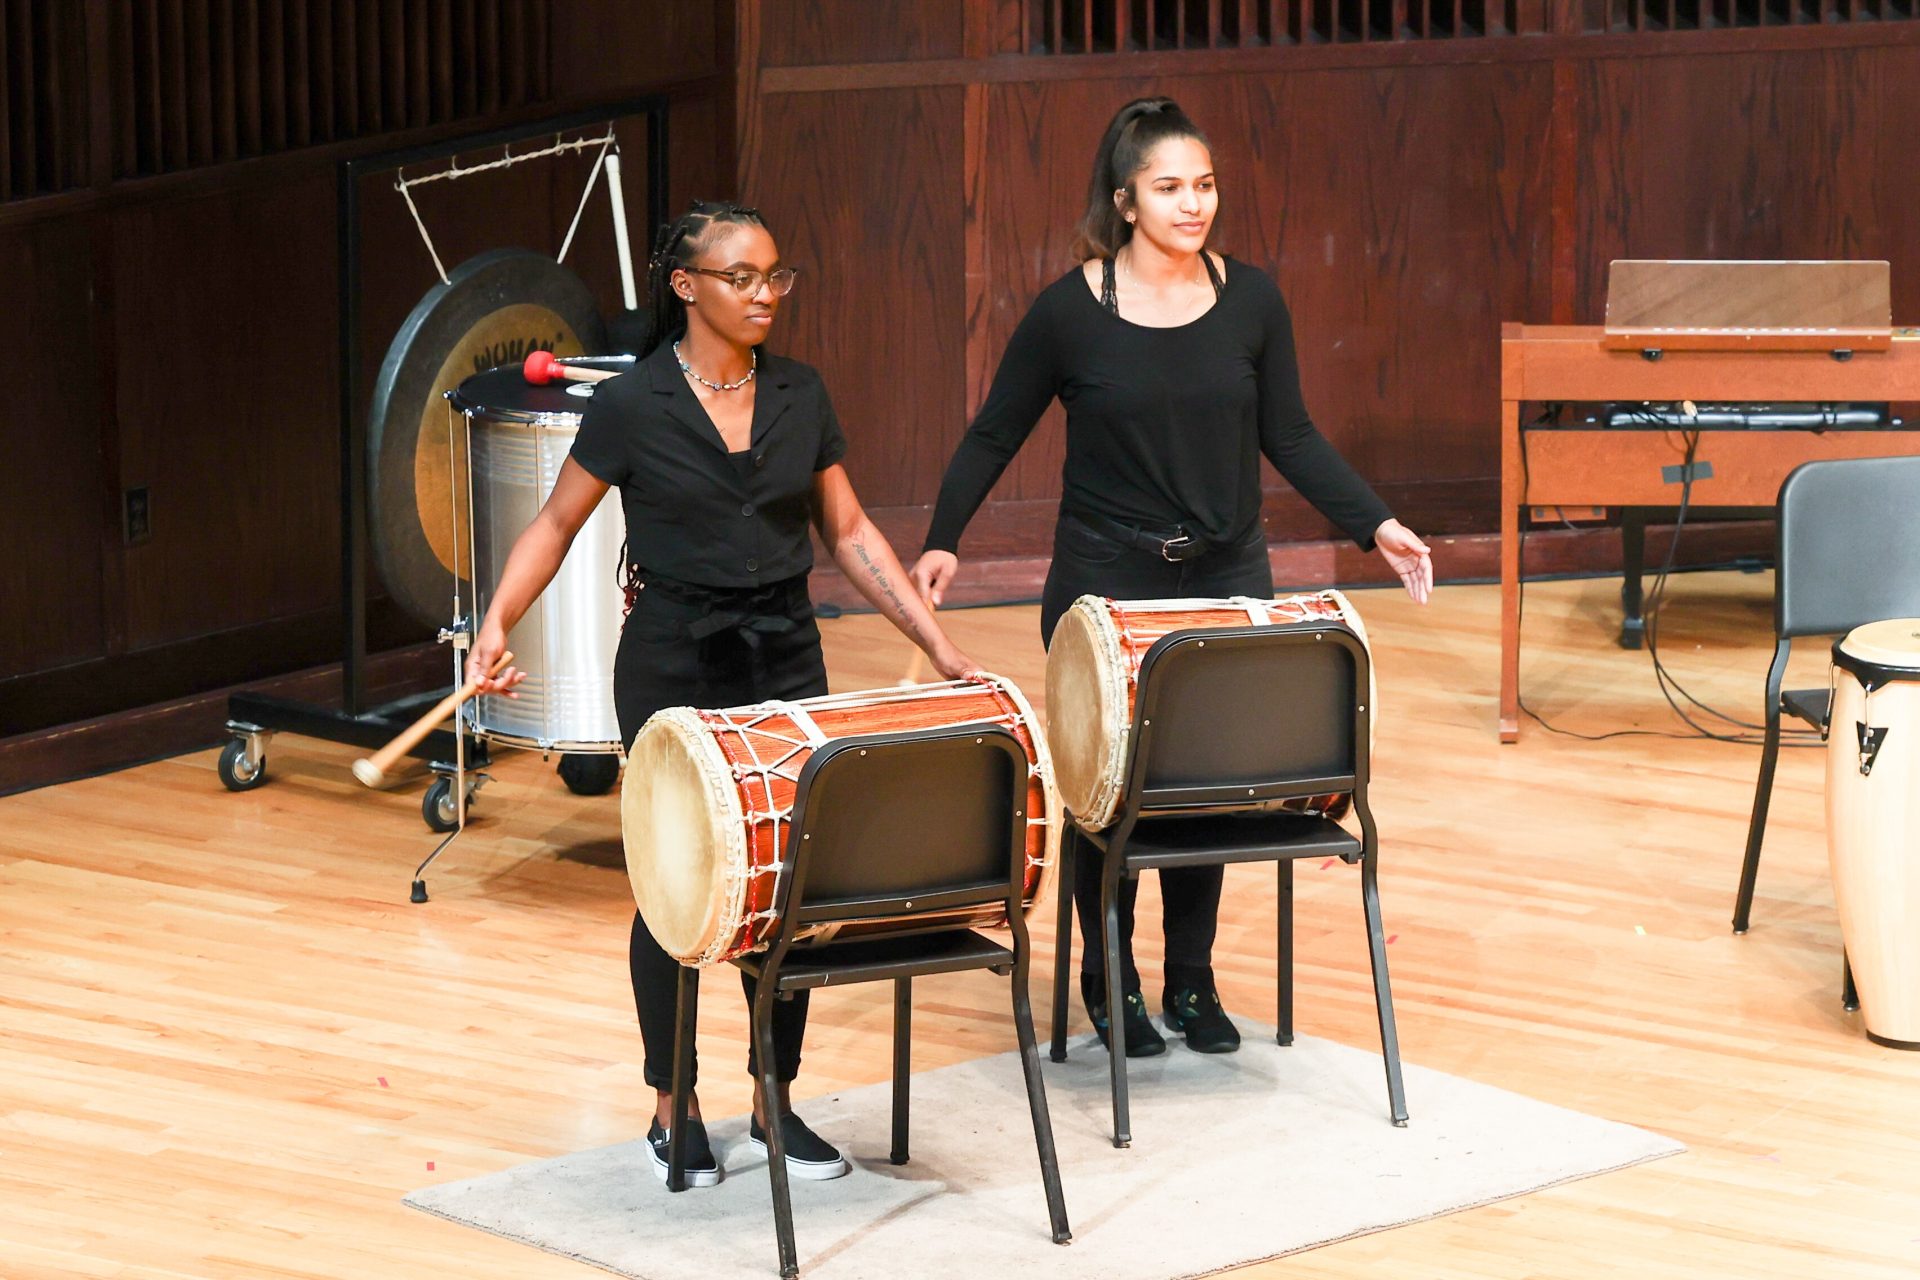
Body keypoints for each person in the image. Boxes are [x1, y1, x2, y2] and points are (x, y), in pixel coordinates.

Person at [467, 200, 979, 1186]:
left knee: (788, 886)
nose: (764, 293)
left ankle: (773, 1096)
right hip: (671, 661)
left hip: (783, 658)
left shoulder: (800, 392)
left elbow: (850, 532)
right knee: (676, 884)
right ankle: (674, 1102)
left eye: (774, 275)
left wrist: (939, 643)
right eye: (740, 277)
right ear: (686, 285)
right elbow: (555, 525)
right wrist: (497, 623)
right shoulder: (633, 404)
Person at [910, 97, 1432, 1060]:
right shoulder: (1070, 311)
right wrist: (945, 539)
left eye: (1205, 185)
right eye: (1169, 188)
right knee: (1109, 786)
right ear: (1125, 201)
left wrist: (1377, 524)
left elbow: (1291, 435)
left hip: (1226, 572)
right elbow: (994, 431)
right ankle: (1109, 974)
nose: (1193, 204)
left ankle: (1192, 977)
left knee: (1210, 783)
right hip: (1105, 581)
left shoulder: (1252, 300)